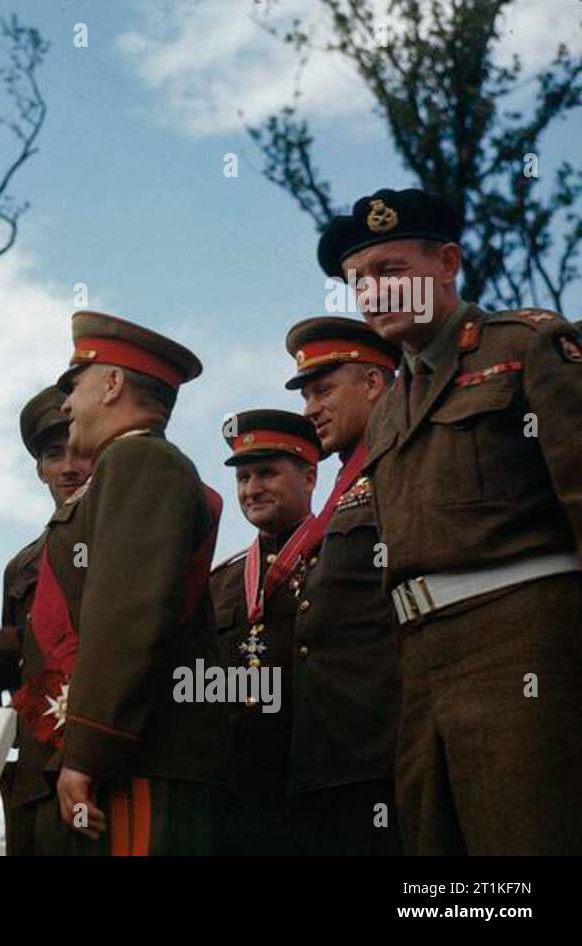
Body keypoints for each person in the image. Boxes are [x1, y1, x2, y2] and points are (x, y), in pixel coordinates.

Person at [320, 187, 582, 854]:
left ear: (447, 263)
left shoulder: (526, 345)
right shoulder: (387, 410)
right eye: (357, 282)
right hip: (420, 662)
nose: (372, 294)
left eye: (389, 271)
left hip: (522, 643)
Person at [0, 310, 231, 855]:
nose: (66, 405)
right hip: (127, 754)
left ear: (112, 385)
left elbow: (128, 617)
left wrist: (85, 754)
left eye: (75, 386)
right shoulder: (129, 465)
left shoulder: (139, 461)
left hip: (137, 758)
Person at [283, 317, 403, 855]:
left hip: (387, 745)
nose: (310, 409)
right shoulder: (347, 479)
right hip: (334, 750)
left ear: (375, 384)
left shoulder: (401, 460)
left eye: (324, 390)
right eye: (307, 394)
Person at [0, 385, 92, 855]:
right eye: (54, 454)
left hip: (104, 764)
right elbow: (15, 673)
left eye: (78, 450)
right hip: (35, 773)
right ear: (39, 468)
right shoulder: (21, 568)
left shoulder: (131, 542)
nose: (69, 466)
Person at [209, 409, 320, 854]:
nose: (252, 489)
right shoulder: (220, 581)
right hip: (238, 797)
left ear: (310, 478)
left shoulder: (340, 562)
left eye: (267, 474)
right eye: (243, 478)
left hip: (323, 785)